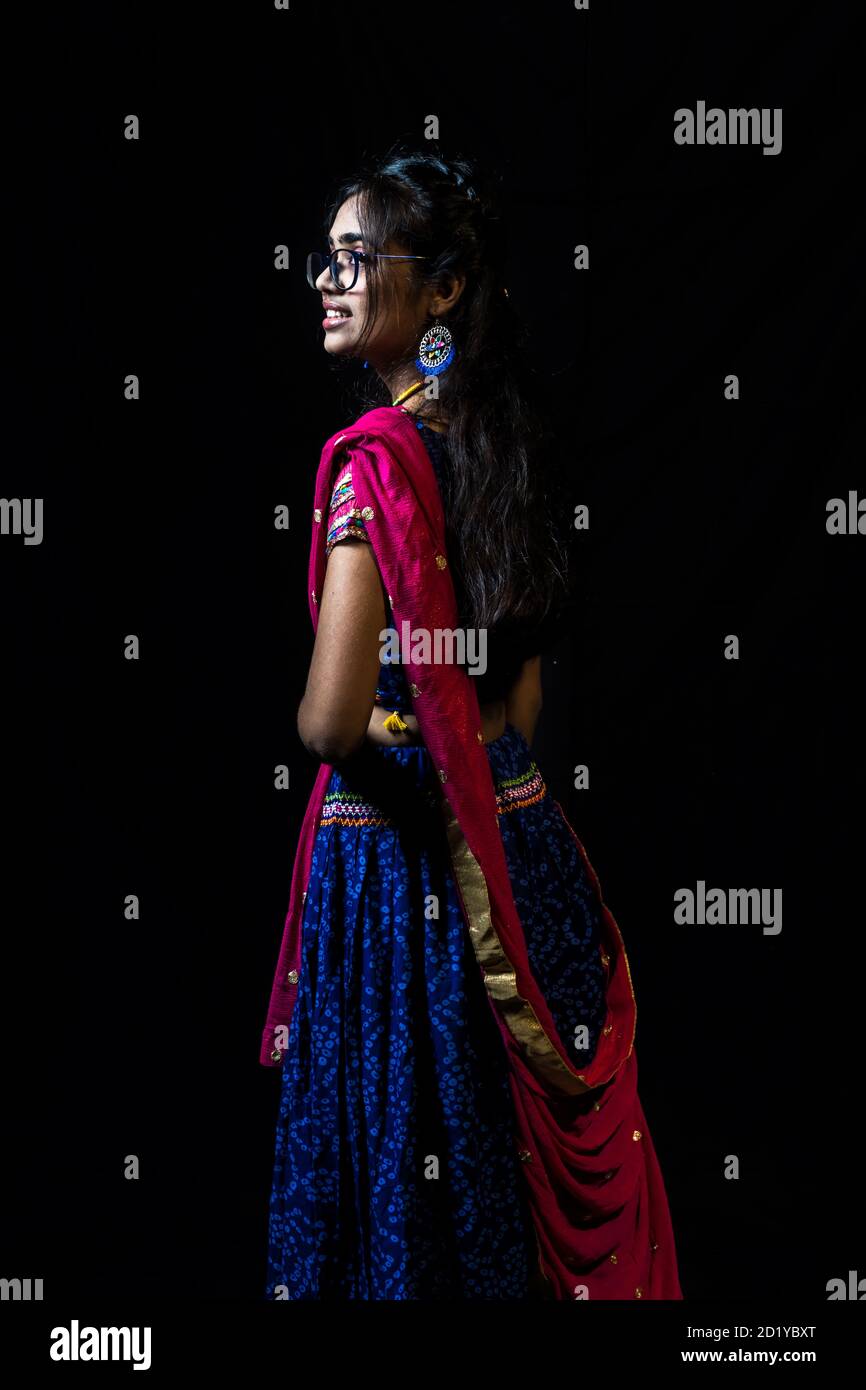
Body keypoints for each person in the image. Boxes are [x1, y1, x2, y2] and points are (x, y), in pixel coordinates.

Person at [262, 146, 682, 1301]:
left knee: (400, 1189)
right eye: (325, 259)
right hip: (522, 850)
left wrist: (358, 724)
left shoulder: (375, 464)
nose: (326, 281)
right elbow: (527, 708)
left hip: (399, 873)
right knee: (488, 1192)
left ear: (439, 291)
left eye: (357, 259)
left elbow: (331, 721)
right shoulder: (508, 454)